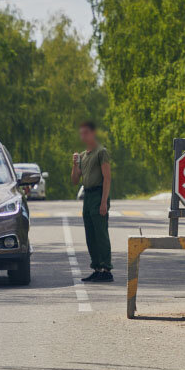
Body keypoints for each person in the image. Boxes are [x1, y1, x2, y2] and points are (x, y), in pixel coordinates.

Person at [71, 120, 113, 282]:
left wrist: (104, 202)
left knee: (101, 233)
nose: (83, 136)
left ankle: (106, 269)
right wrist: (75, 165)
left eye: (86, 133)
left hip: (98, 194)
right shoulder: (83, 155)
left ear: (93, 133)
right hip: (87, 196)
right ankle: (96, 267)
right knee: (90, 234)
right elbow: (75, 180)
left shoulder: (101, 152)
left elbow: (107, 178)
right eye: (81, 133)